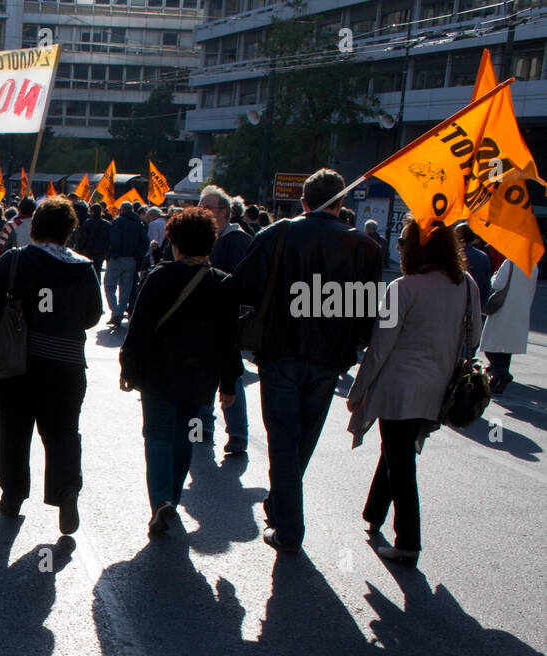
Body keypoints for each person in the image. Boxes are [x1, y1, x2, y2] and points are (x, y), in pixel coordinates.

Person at [233, 168, 383, 553]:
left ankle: (289, 525)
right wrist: (352, 346)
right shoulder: (365, 248)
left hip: (280, 351)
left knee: (283, 439)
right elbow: (367, 313)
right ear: (342, 203)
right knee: (301, 441)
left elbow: (242, 288)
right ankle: (283, 509)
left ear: (303, 201)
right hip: (329, 357)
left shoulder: (276, 234)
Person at [347, 221, 480, 565]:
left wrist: (358, 390)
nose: (400, 248)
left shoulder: (402, 288)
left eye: (404, 242)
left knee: (401, 462)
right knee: (398, 451)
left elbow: (380, 347)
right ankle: (374, 512)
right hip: (437, 388)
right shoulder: (466, 284)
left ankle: (408, 541)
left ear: (420, 248)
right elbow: (475, 337)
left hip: (398, 389)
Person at [0, 197, 102, 533]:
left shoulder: (16, 260)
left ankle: (13, 496)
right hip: (66, 364)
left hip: (16, 365)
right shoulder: (84, 267)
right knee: (62, 433)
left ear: (35, 228)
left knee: (15, 431)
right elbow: (93, 316)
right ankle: (66, 491)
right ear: (69, 232)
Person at [120, 207, 243, 535]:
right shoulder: (224, 283)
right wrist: (229, 383)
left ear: (174, 242)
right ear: (211, 242)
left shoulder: (160, 276)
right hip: (200, 380)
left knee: (157, 435)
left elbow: (140, 327)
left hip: (158, 375)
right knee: (185, 437)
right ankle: (171, 497)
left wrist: (127, 367)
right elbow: (231, 339)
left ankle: (161, 502)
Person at [199, 184, 253, 458]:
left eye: (208, 207)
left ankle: (238, 435)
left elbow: (240, 284)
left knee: (231, 377)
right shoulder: (207, 237)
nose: (203, 211)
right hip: (204, 320)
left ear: (225, 212)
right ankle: (203, 429)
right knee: (202, 376)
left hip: (227, 320)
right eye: (200, 207)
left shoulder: (237, 239)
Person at [481, 256, 538, 394]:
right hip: (521, 309)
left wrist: (494, 276)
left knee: (490, 346)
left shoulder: (510, 262)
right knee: (506, 347)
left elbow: (498, 285)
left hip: (504, 308)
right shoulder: (533, 266)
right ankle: (497, 381)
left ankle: (503, 374)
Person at [105, 201, 148, 328]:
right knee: (125, 288)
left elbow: (114, 240)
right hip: (131, 260)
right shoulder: (138, 224)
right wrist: (136, 257)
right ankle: (118, 312)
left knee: (109, 285)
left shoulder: (118, 222)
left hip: (117, 258)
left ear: (122, 209)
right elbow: (145, 242)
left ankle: (116, 312)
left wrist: (114, 254)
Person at [454, 222, 491, 308]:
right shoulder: (483, 257)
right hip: (476, 304)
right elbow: (486, 285)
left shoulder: (454, 256)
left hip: (457, 305)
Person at [76, 201, 109, 279]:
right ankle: (97, 287)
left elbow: (83, 237)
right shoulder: (107, 224)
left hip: (88, 251)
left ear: (92, 212)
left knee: (88, 271)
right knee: (98, 271)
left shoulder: (87, 223)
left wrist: (80, 248)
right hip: (101, 252)